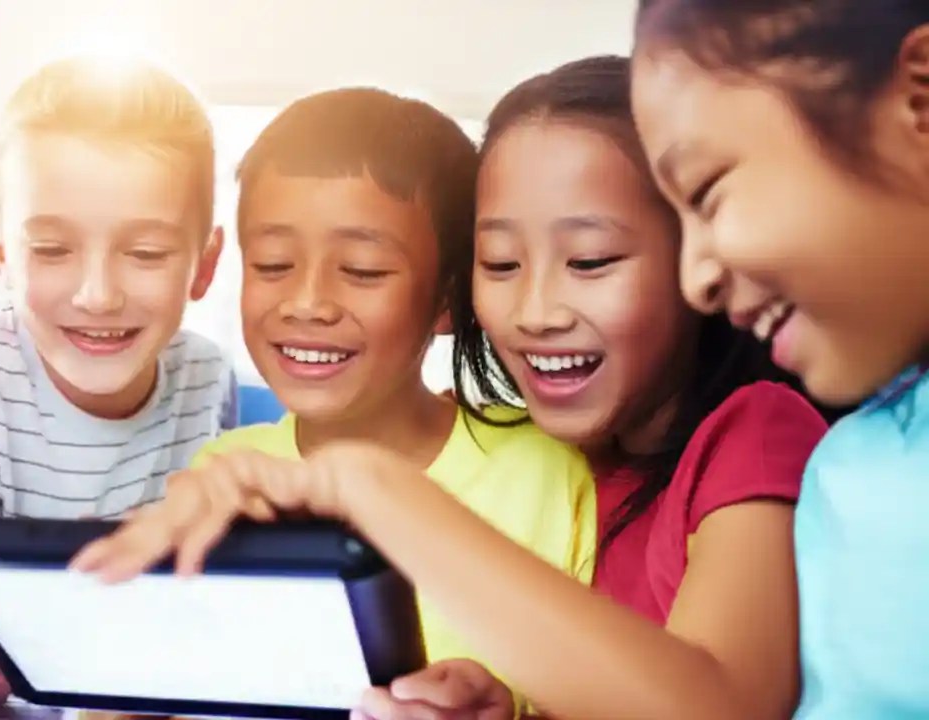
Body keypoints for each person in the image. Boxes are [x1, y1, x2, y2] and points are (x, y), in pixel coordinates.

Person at [70, 57, 829, 720]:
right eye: (500, 265)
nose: (535, 313)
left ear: (702, 260)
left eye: (591, 261)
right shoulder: (589, 463)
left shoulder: (752, 433)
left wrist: (374, 492)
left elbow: (721, 705)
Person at [0, 56, 236, 698]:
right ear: (1, 252)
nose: (98, 296)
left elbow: (186, 602)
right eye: (52, 250)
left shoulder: (205, 377)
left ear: (205, 263)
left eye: (145, 254)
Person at [189, 87, 596, 683]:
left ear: (448, 299)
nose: (306, 304)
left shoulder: (546, 472)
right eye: (273, 264)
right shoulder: (220, 475)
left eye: (363, 271)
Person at [629, 1, 929, 716]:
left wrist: (387, 502)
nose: (693, 279)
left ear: (919, 98)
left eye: (706, 193)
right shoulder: (856, 465)